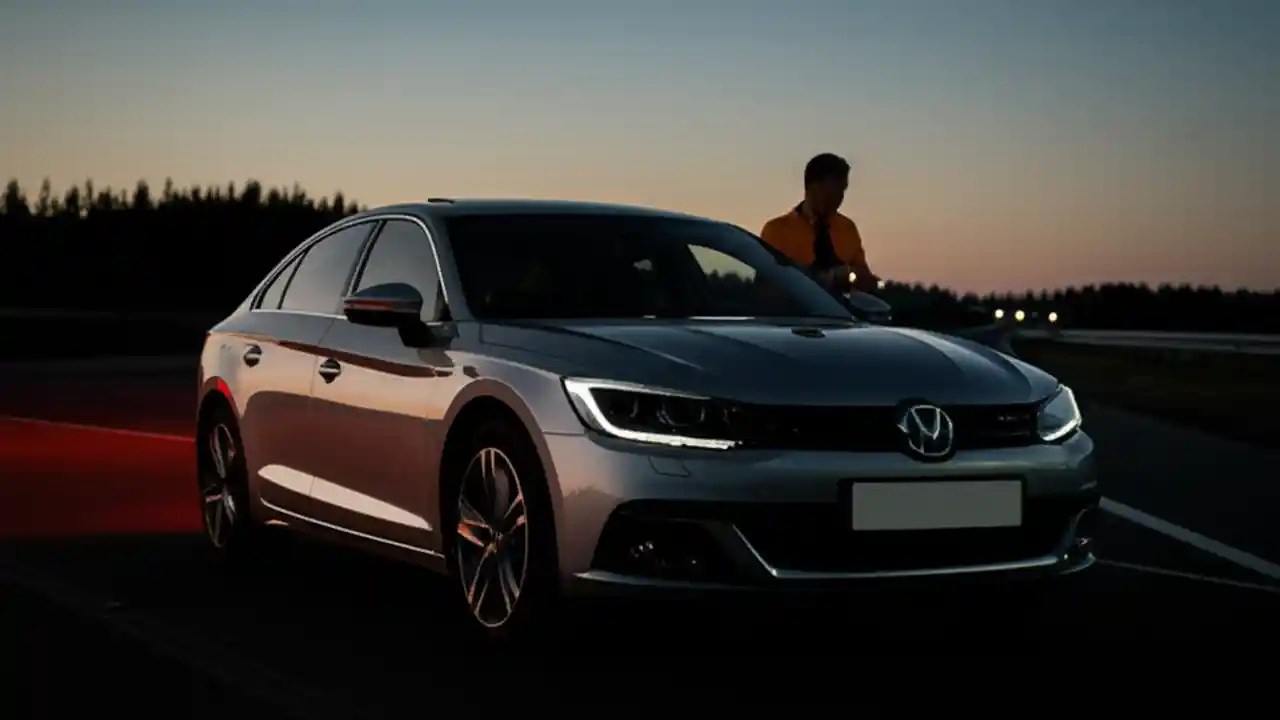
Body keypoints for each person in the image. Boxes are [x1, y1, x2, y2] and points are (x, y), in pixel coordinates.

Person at [760, 152, 880, 295]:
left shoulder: (848, 228)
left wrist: (861, 279)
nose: (838, 199)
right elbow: (767, 285)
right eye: (831, 191)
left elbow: (863, 277)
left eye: (842, 191)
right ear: (811, 187)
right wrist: (826, 278)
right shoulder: (776, 231)